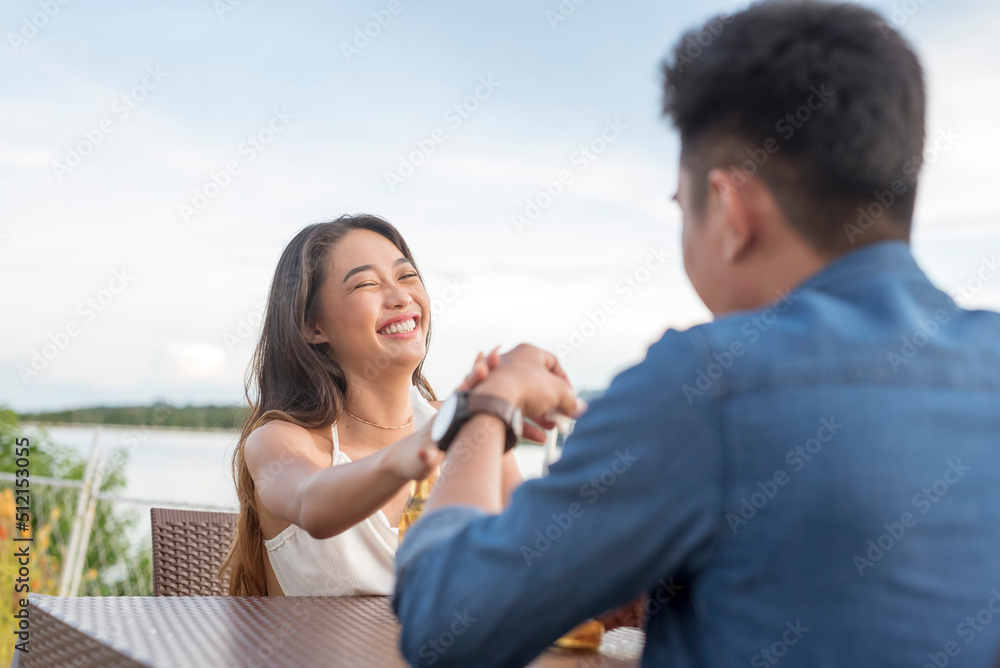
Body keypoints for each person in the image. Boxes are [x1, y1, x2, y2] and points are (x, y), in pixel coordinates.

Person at [391, 2, 1000, 666]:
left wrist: (489, 410)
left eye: (683, 209)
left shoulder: (707, 384)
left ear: (733, 210)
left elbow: (443, 623)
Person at [216, 214, 525, 596]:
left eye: (407, 276)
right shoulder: (281, 443)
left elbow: (536, 561)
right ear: (314, 326)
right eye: (366, 284)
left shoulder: (472, 425)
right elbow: (311, 503)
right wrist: (418, 449)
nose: (400, 297)